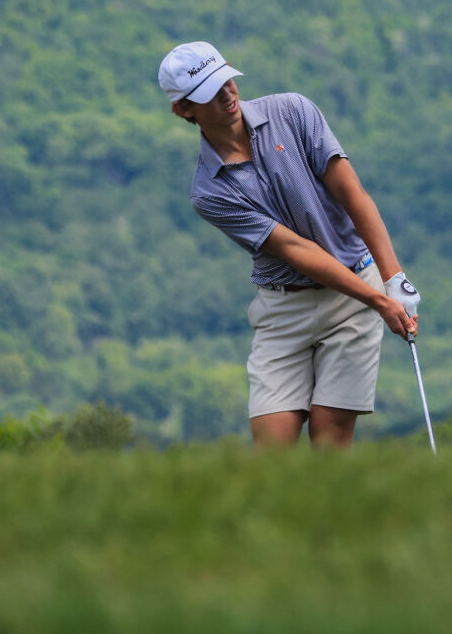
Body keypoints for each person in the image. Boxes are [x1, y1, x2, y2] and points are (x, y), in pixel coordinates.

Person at [159, 41, 420, 448]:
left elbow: (354, 195)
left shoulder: (293, 111)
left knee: (329, 439)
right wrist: (379, 302)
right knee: (272, 448)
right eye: (210, 92)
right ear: (184, 109)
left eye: (226, 79)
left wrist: (394, 280)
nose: (227, 93)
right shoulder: (209, 193)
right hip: (284, 310)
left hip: (353, 293)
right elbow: (299, 252)